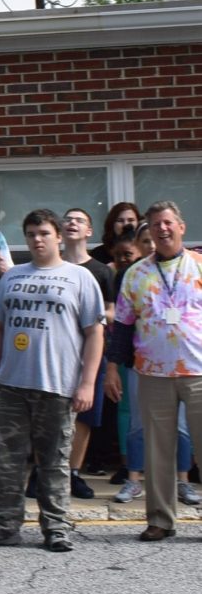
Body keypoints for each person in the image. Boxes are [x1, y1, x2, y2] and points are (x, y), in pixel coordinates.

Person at [0, 210, 104, 554]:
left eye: (43, 232)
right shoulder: (12, 277)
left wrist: (87, 383)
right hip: (10, 386)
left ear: (58, 236)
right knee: (6, 461)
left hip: (58, 386)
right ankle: (3, 527)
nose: (37, 239)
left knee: (54, 462)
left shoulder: (80, 278)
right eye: (30, 234)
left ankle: (56, 528)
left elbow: (94, 332)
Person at [110, 200, 202, 543]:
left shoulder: (199, 266)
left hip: (198, 372)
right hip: (152, 374)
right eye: (155, 225)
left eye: (168, 223)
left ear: (181, 227)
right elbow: (122, 327)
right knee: (157, 451)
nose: (162, 229)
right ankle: (161, 519)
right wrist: (112, 370)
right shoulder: (135, 274)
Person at [58, 209, 114, 497]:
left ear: (89, 231)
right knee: (50, 414)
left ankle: (73, 474)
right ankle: (49, 473)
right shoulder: (51, 266)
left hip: (90, 351)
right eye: (67, 219)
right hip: (56, 352)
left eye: (79, 220)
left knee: (84, 416)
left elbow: (113, 311)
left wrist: (86, 311)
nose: (72, 223)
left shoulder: (101, 270)